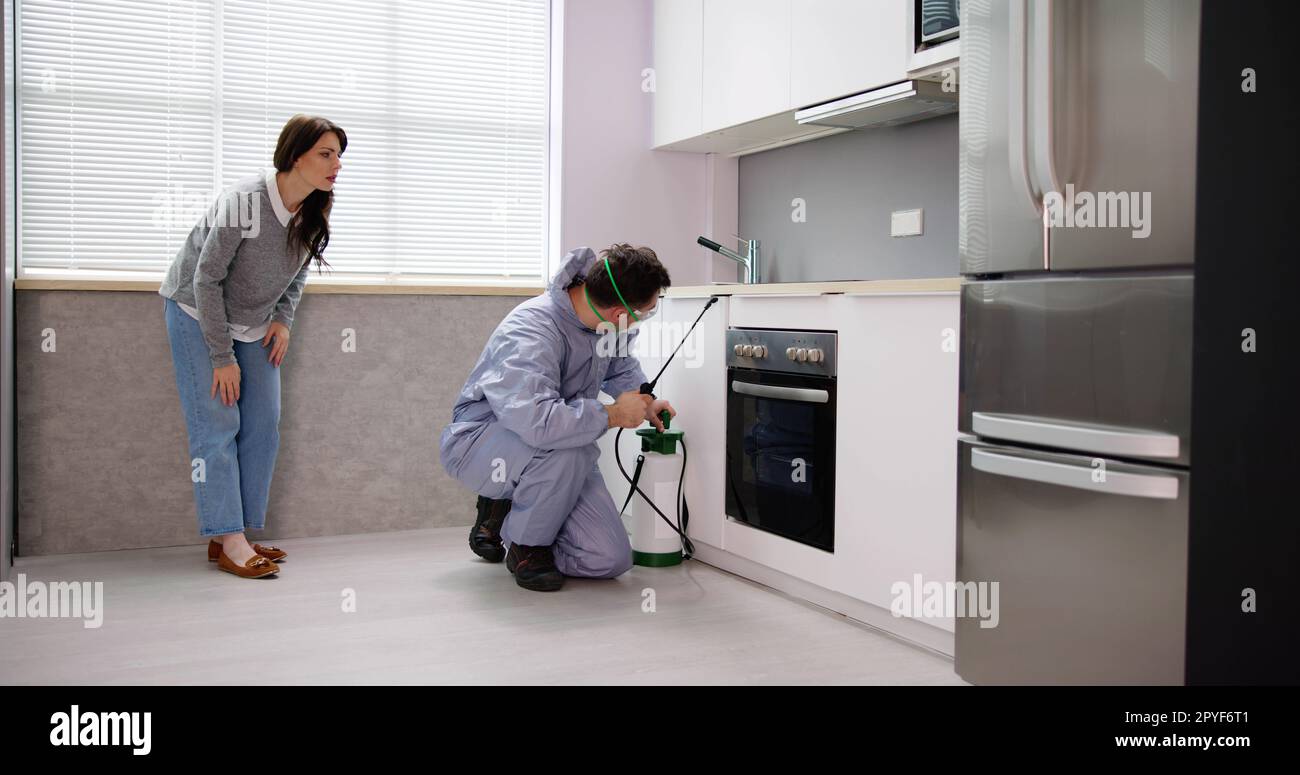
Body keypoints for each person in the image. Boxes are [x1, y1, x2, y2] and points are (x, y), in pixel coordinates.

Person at [158, 114, 345, 579]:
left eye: (339, 155)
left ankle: (233, 533)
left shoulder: (315, 206)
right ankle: (230, 540)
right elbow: (206, 278)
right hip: (196, 312)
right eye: (325, 153)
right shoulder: (244, 201)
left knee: (263, 423)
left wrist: (283, 319)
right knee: (218, 423)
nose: (335, 164)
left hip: (253, 322)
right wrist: (221, 358)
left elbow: (301, 266)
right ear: (295, 154)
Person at [439, 244, 674, 591]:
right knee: (569, 447)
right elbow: (539, 422)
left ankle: (520, 510)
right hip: (481, 442)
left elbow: (621, 367)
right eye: (646, 312)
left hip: (558, 451)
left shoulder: (609, 325)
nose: (644, 318)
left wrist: (644, 400)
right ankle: (527, 548)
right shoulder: (531, 330)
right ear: (618, 312)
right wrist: (612, 414)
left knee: (609, 559)